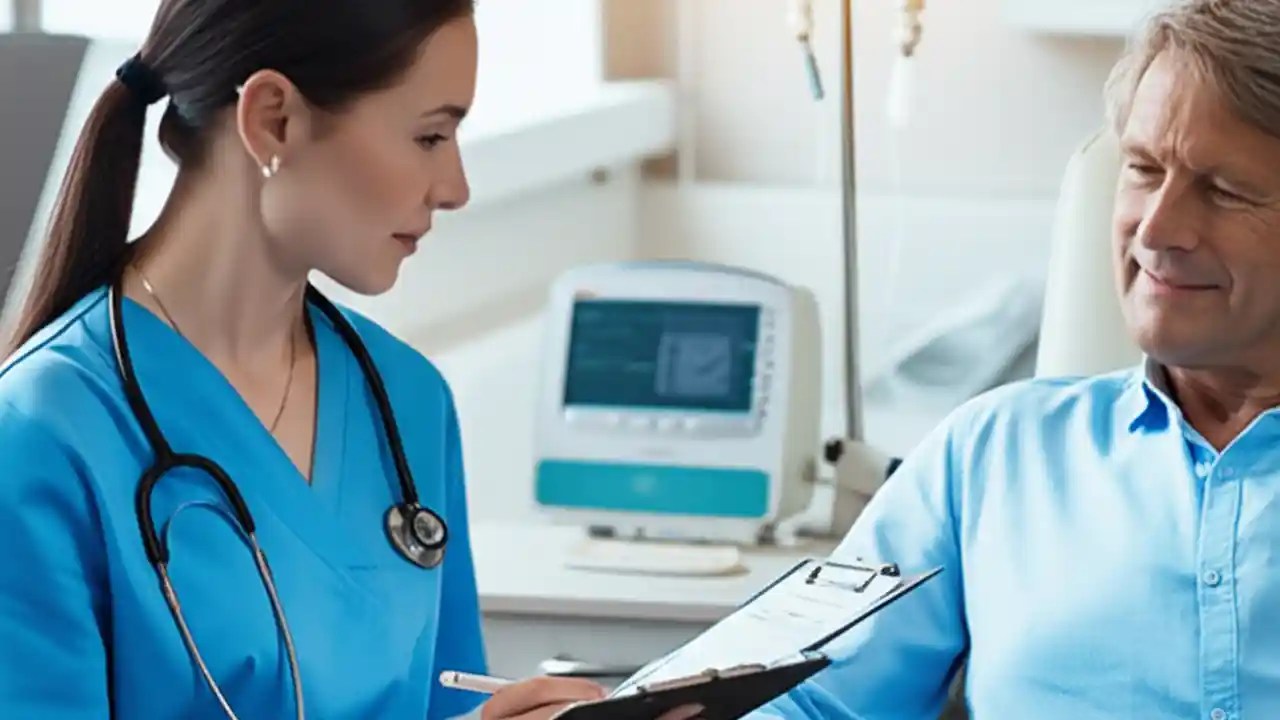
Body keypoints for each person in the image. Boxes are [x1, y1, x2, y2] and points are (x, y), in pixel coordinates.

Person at [0, 2, 701, 719]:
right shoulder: (41, 435)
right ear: (274, 119)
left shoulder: (406, 400)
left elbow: (447, 700)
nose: (455, 187)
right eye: (430, 136)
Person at [749, 1, 1280, 718]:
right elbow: (799, 697)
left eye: (1223, 191)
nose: (1157, 230)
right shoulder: (994, 455)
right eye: (1143, 171)